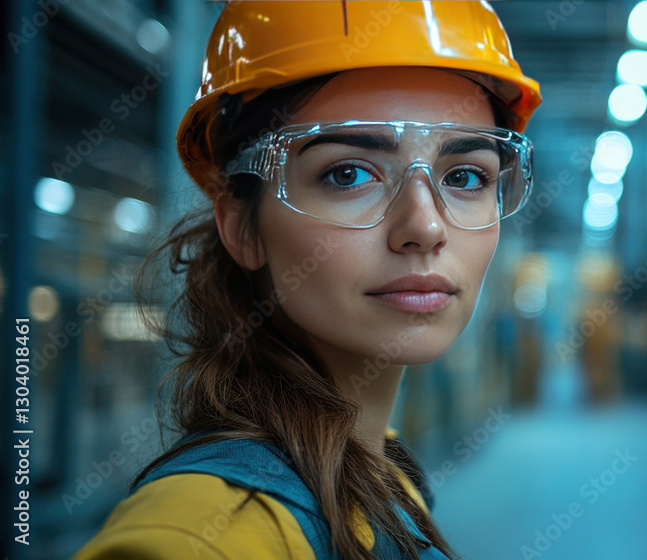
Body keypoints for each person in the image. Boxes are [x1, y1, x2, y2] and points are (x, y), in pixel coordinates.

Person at [72, 2, 541, 559]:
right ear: (241, 227)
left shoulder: (382, 475)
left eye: (465, 176)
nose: (425, 226)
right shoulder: (203, 535)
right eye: (348, 174)